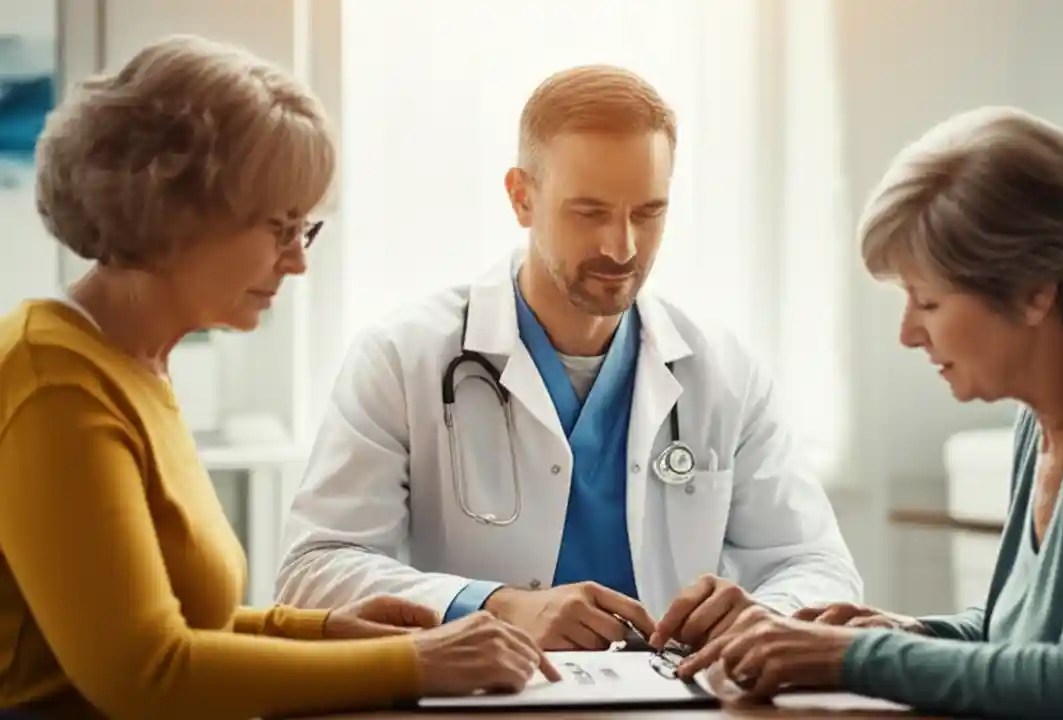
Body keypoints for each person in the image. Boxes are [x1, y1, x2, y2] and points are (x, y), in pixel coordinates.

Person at [0, 35, 556, 719]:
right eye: (280, 229)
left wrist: (325, 633)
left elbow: (174, 626)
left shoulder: (135, 363)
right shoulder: (55, 383)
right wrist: (413, 663)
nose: (297, 263)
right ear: (174, 208)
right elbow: (146, 674)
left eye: (306, 231)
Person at [678, 106, 1063, 718]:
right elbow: (1018, 641)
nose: (908, 333)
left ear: (1035, 292)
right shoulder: (1044, 417)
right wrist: (894, 634)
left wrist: (847, 659)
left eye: (929, 302)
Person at [276, 64, 862, 652]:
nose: (622, 246)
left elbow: (818, 565)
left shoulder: (722, 372)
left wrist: (761, 612)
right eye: (590, 213)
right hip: (481, 698)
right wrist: (494, 606)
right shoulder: (403, 357)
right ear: (521, 197)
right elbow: (314, 569)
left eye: (648, 213)